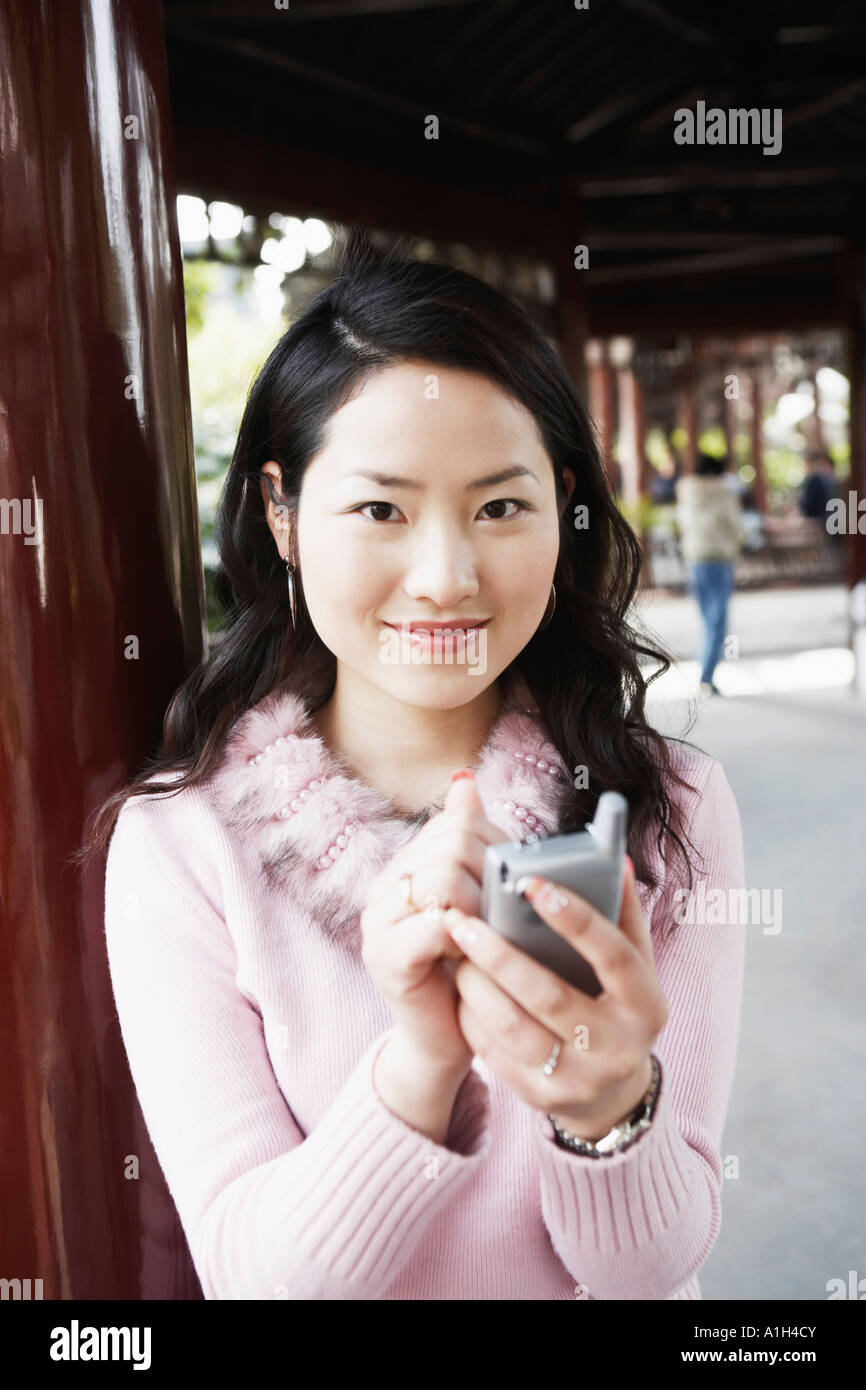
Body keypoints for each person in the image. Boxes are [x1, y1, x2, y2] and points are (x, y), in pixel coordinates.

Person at [84, 251, 746, 1301]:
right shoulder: (182, 847)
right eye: (381, 510)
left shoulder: (668, 806)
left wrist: (606, 1101)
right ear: (281, 511)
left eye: (497, 507)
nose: (445, 577)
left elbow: (651, 1273)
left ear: (560, 508)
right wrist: (420, 1063)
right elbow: (255, 1280)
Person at [675, 452, 745, 696]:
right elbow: (735, 525)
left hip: (694, 559)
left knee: (707, 620)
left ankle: (704, 671)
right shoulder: (724, 492)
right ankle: (707, 675)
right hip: (719, 558)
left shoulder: (686, 491)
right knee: (717, 622)